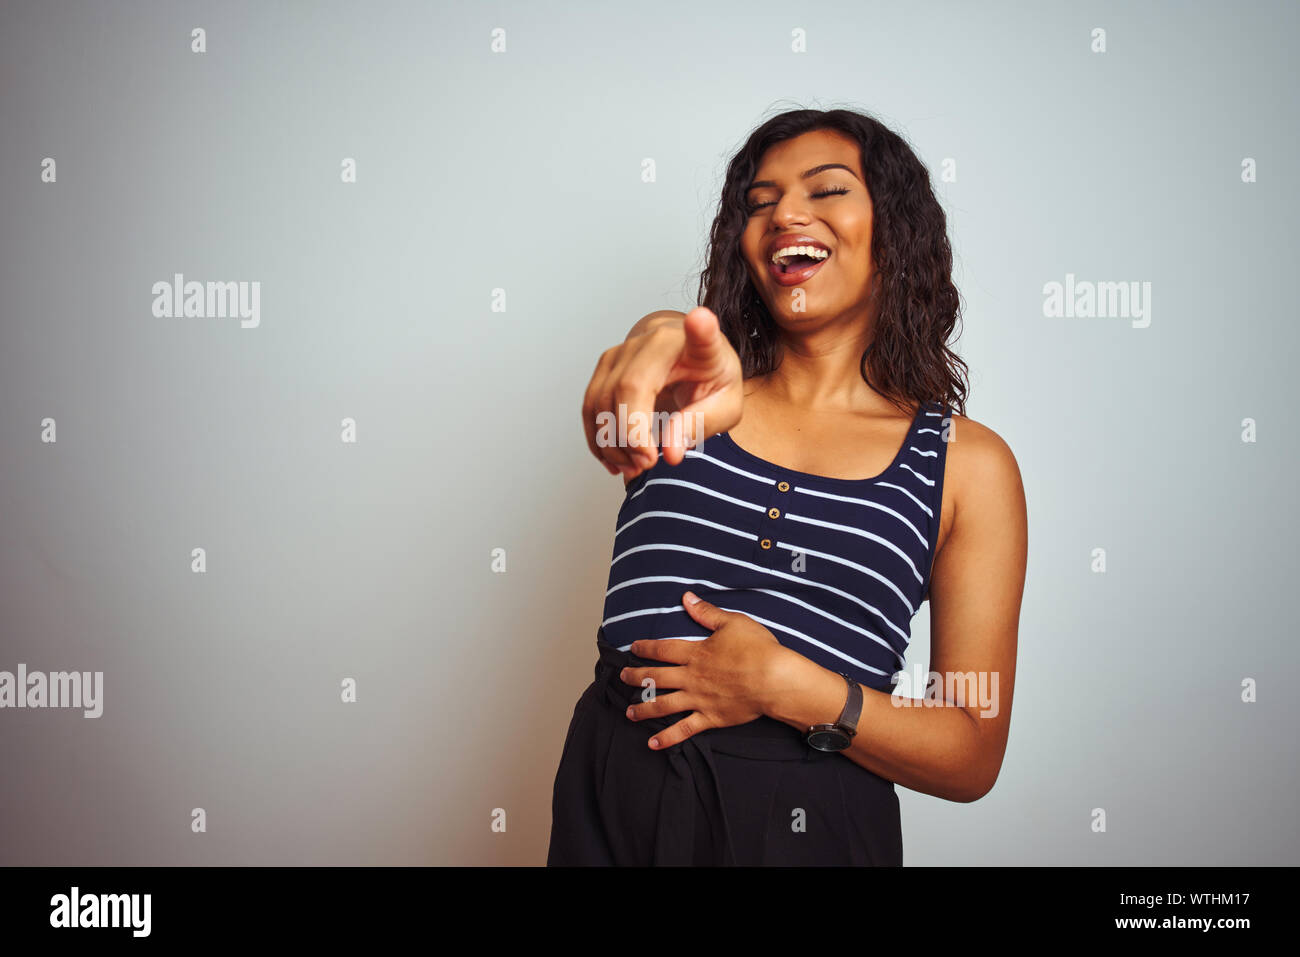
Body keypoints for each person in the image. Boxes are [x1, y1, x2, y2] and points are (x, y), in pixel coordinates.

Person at [548, 108, 1027, 866]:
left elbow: (972, 749)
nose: (784, 216)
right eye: (759, 202)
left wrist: (790, 687)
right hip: (614, 800)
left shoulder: (966, 465)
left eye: (826, 190)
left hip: (814, 828)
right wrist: (660, 335)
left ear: (894, 230)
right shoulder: (693, 396)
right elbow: (656, 352)